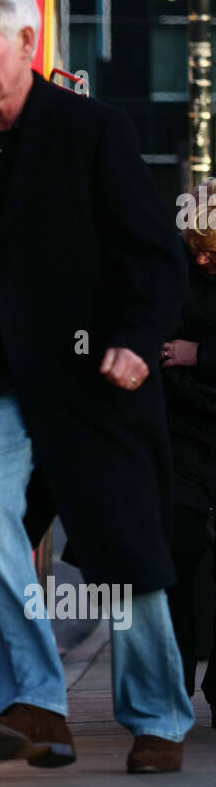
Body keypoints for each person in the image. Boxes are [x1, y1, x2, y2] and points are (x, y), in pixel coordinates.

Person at [0, 0, 194, 774]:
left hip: (100, 375)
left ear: (27, 42)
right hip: (4, 379)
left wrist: (135, 340)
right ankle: (37, 704)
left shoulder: (96, 132)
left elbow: (156, 257)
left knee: (124, 550)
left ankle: (158, 719)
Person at [161, 185, 216, 722]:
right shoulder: (174, 273)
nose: (202, 258)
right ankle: (173, 688)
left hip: (192, 416)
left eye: (212, 251)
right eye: (196, 246)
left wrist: (199, 356)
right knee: (177, 555)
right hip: (182, 435)